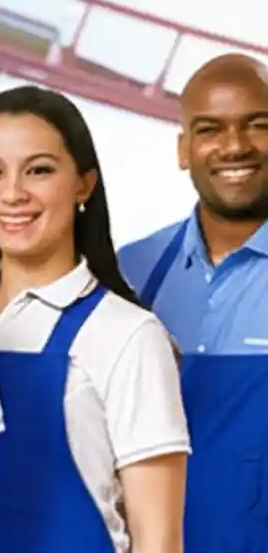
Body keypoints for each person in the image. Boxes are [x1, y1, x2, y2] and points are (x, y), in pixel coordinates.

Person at [0, 85, 188, 552]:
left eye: (38, 170)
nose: (12, 193)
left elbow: (158, 541)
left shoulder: (128, 337)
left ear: (84, 184)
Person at [118, 53, 268, 552]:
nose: (235, 147)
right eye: (210, 130)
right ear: (184, 149)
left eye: (258, 125)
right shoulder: (130, 272)